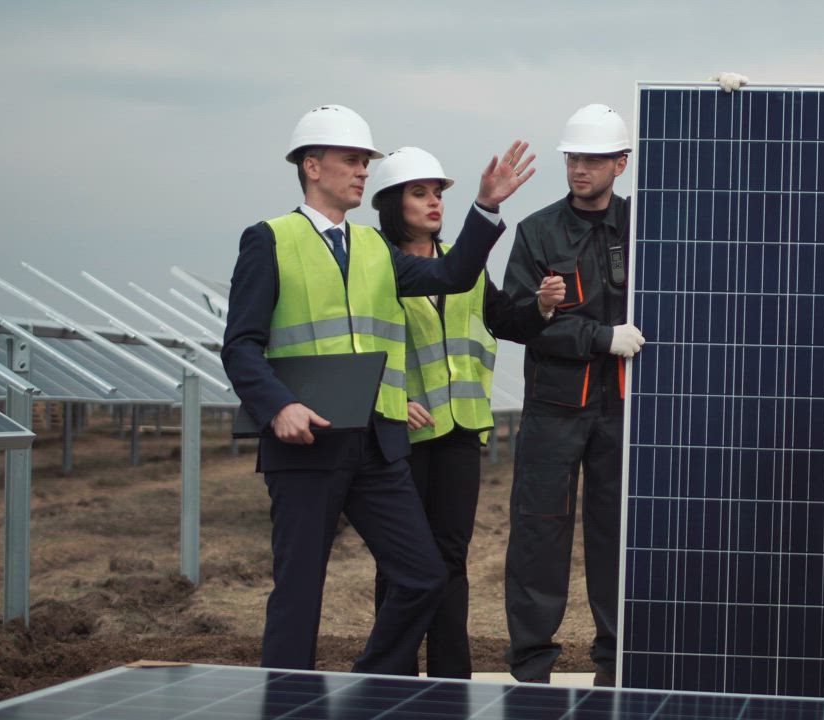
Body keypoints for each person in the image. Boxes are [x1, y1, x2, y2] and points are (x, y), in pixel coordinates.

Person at [221, 104, 535, 675]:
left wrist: (486, 207)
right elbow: (240, 345)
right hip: (305, 444)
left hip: (378, 444)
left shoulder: (375, 248)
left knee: (422, 575)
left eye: (366, 161)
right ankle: (290, 705)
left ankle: (371, 683)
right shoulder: (270, 240)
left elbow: (452, 275)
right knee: (299, 592)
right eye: (351, 160)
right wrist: (278, 407)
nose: (364, 170)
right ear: (312, 167)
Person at [368, 147, 566, 678]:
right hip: (400, 434)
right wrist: (383, 401)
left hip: (458, 431)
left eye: (437, 194)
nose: (434, 203)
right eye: (419, 193)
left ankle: (452, 680)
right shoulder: (374, 267)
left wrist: (542, 306)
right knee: (402, 564)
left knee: (451, 559)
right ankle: (394, 677)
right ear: (391, 203)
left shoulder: (466, 263)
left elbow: (508, 321)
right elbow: (359, 344)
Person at [500, 103, 645, 687]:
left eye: (591, 158)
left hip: (626, 410)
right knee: (540, 531)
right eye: (572, 158)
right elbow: (514, 318)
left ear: (620, 163)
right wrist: (597, 335)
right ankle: (532, 665)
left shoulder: (645, 227)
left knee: (618, 532)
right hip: (555, 409)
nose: (579, 168)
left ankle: (616, 661)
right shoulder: (537, 231)